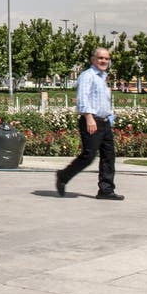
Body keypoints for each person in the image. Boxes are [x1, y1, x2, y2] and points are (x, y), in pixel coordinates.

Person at [55, 47, 124, 200]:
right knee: (89, 155)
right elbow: (82, 98)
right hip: (91, 121)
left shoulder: (102, 77)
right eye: (101, 58)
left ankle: (106, 190)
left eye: (106, 58)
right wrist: (89, 117)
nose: (104, 61)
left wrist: (109, 117)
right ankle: (63, 176)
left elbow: (101, 101)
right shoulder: (88, 76)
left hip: (104, 122)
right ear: (93, 59)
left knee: (108, 156)